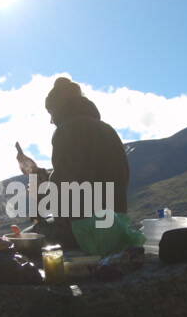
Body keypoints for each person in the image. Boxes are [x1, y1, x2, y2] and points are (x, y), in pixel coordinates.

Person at [16, 76, 142, 254]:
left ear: (58, 108)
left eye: (51, 114)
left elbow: (61, 194)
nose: (51, 121)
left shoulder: (66, 130)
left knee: (24, 240)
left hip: (86, 232)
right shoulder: (106, 129)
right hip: (115, 226)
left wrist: (34, 175)